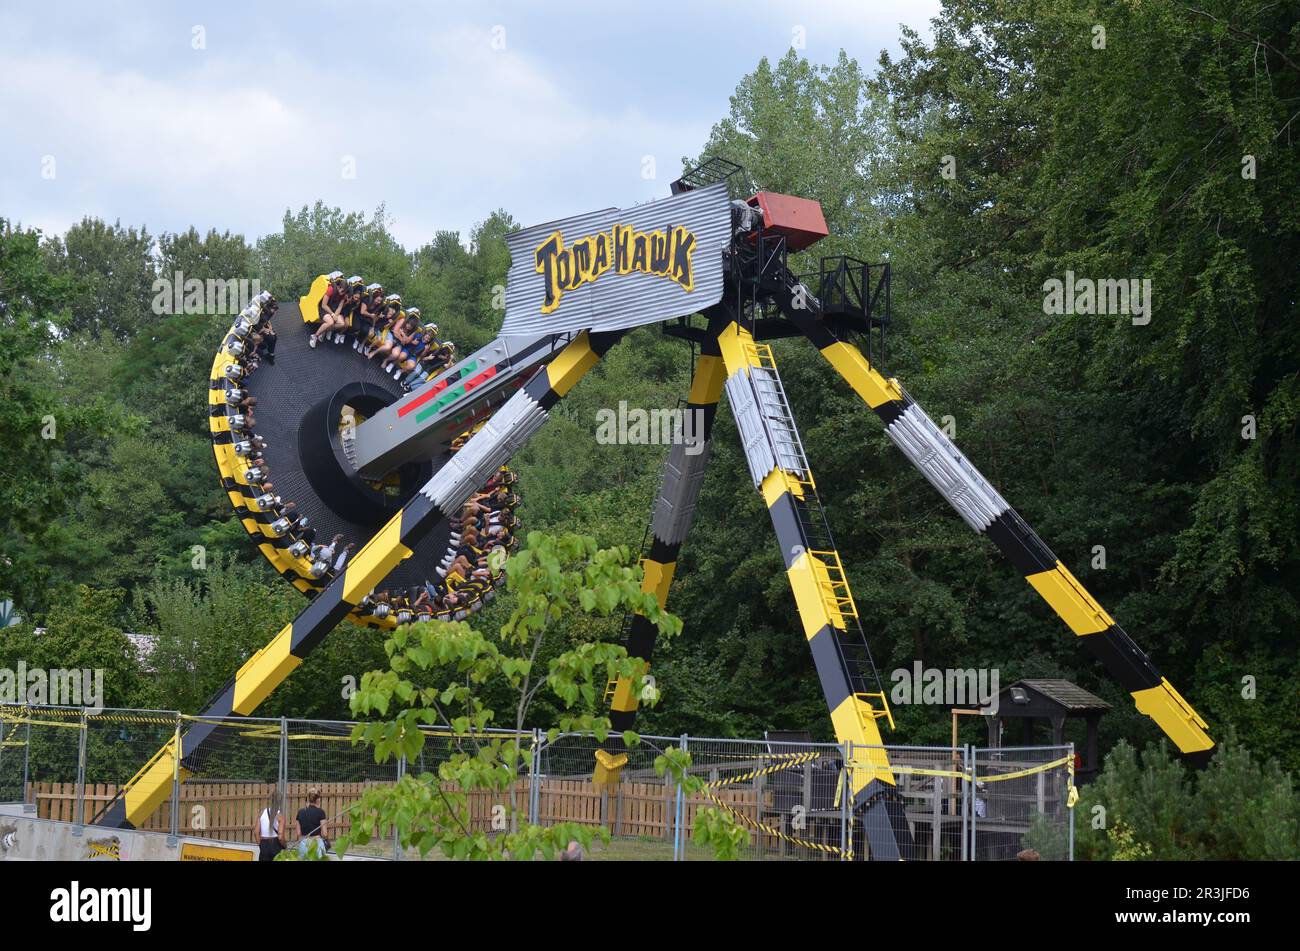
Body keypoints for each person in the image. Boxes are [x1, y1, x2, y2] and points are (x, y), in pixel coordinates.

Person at [296, 788, 330, 859]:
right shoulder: (320, 812)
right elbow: (325, 834)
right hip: (316, 843)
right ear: (318, 799)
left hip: (303, 843)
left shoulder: (300, 812)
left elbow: (298, 833)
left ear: (308, 798)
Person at [255, 796, 287, 861]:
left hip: (264, 844)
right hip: (275, 845)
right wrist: (285, 845)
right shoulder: (280, 816)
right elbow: (280, 836)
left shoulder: (261, 813)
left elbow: (256, 832)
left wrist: (261, 845)